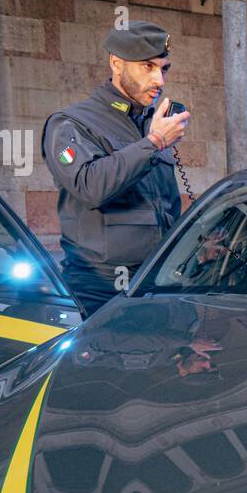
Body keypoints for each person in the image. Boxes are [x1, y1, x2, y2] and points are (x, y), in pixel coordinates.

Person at [42, 21, 192, 315]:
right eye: (147, 66)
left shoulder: (149, 124)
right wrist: (155, 142)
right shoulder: (71, 123)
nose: (159, 80)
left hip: (156, 287)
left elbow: (162, 207)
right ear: (116, 63)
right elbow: (89, 186)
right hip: (100, 291)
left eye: (164, 69)